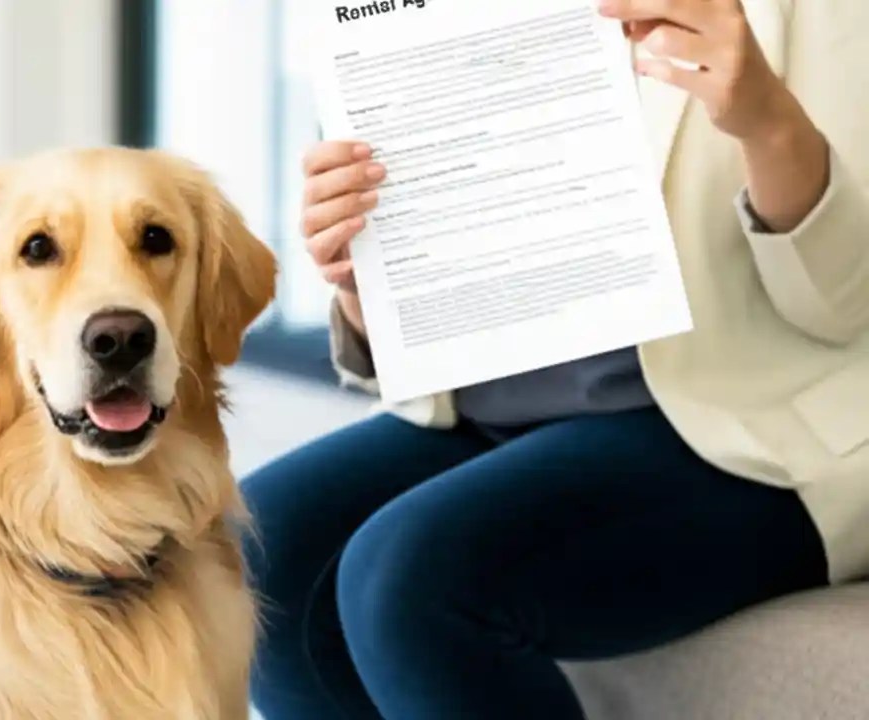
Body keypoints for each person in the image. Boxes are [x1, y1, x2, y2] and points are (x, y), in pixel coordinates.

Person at [242, 0, 869, 717]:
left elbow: (844, 303)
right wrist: (365, 278)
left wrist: (768, 122)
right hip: (496, 410)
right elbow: (406, 329)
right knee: (260, 557)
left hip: (736, 423)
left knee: (410, 577)